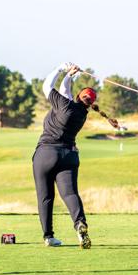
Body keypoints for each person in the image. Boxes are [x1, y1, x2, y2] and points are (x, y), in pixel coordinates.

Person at [33, 62, 108, 248]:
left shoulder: (64, 105)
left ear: (78, 96)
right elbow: (65, 89)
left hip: (46, 153)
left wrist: (60, 69)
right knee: (70, 193)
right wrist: (70, 75)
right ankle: (79, 224)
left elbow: (47, 86)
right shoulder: (82, 113)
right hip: (69, 156)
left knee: (46, 196)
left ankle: (49, 237)